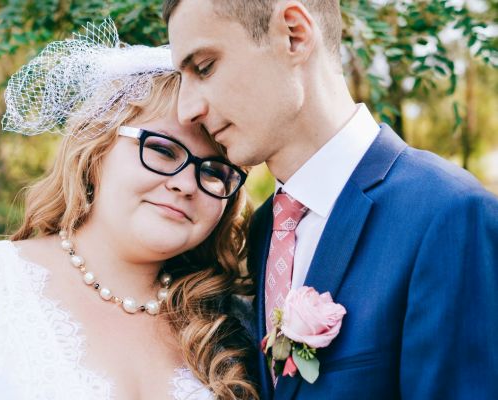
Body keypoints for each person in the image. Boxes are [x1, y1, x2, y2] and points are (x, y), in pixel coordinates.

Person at [0, 20, 258, 400]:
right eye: (162, 150)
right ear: (96, 150)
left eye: (214, 171)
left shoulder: (236, 326)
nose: (186, 184)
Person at [163, 0, 498, 399]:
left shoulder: (449, 214)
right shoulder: (265, 227)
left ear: (294, 35)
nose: (187, 111)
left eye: (204, 67)